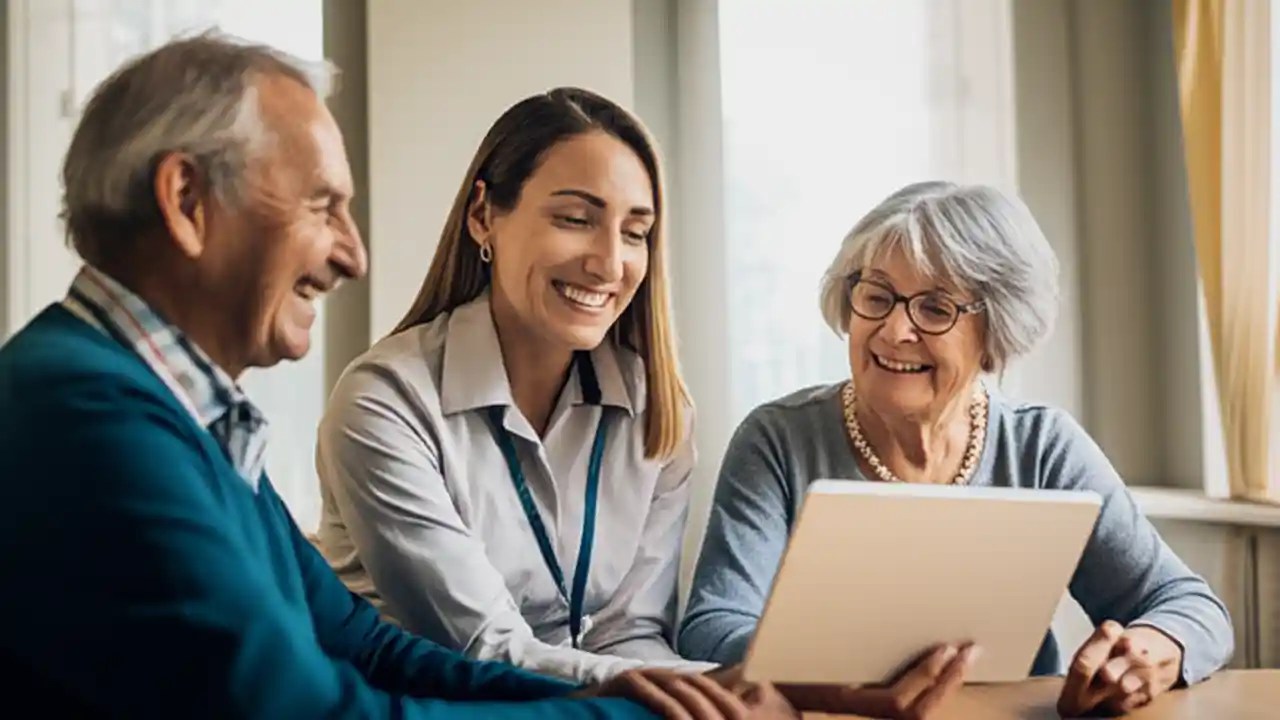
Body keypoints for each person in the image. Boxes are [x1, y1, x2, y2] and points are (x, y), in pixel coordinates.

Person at [0, 34, 797, 719]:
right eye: (322, 206)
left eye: (635, 230)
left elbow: (365, 645)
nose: (353, 254)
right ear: (187, 201)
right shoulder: (88, 414)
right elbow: (312, 711)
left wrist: (655, 695)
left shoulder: (189, 416)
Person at [678, 181, 1236, 717]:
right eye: (876, 297)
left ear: (997, 328)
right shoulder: (779, 439)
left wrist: (1152, 649)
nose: (895, 331)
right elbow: (711, 625)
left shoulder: (1041, 445)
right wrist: (841, 679)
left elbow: (1191, 608)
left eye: (935, 308)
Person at [314, 87, 710, 686]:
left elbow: (629, 635)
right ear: (483, 217)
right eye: (575, 220)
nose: (608, 263)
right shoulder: (384, 404)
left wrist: (746, 692)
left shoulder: (655, 409)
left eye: (635, 233)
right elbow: (482, 650)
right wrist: (711, 687)